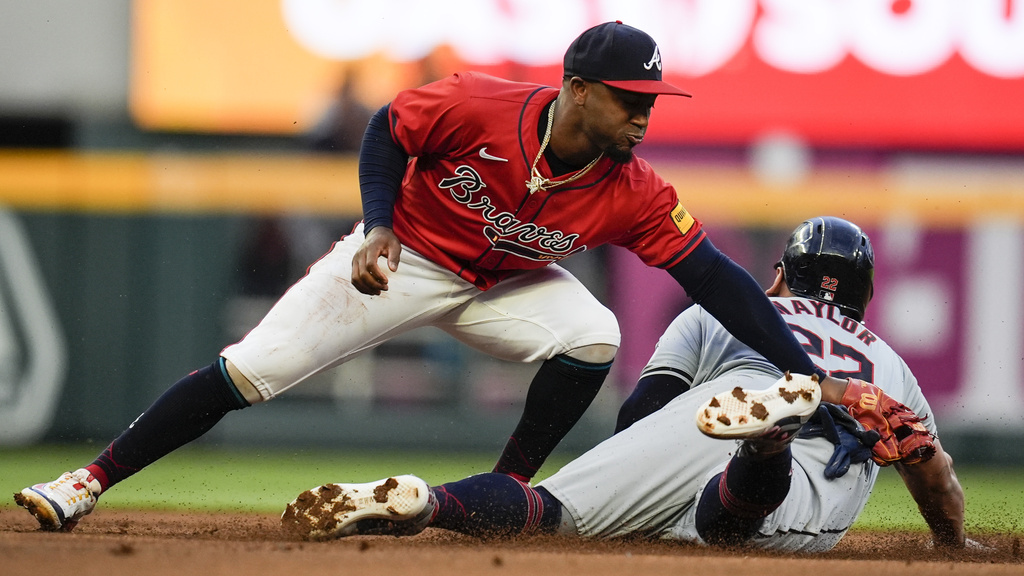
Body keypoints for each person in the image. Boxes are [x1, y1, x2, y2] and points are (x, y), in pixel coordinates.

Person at [18, 22, 851, 532]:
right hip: (403, 259)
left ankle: (505, 489)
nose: (644, 113)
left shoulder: (634, 190)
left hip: (504, 291)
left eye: (653, 99)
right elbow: (388, 129)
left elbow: (719, 280)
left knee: (597, 333)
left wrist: (804, 370)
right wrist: (377, 224)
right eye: (629, 98)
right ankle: (87, 480)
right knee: (252, 371)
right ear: (577, 90)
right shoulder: (482, 105)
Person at [280, 217, 962, 553]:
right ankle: (765, 446)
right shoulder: (888, 363)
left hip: (703, 409)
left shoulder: (721, 310)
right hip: (812, 443)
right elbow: (934, 480)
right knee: (726, 528)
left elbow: (644, 411)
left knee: (548, 512)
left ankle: (428, 501)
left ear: (780, 275)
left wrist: (628, 486)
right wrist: (951, 540)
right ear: (864, 300)